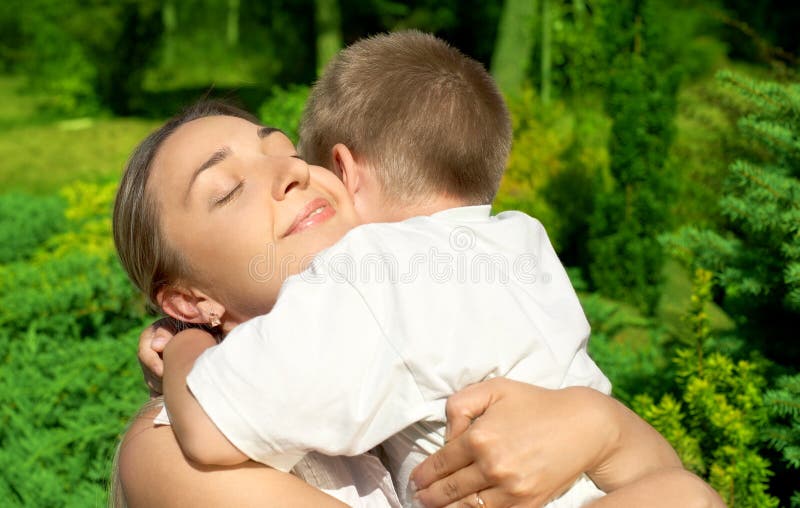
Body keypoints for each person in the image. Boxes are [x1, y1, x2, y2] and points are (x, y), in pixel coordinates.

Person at [117, 31, 723, 508]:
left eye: (289, 153)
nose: (291, 172)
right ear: (187, 299)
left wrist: (186, 347)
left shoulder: (373, 286)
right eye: (227, 189)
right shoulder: (163, 451)